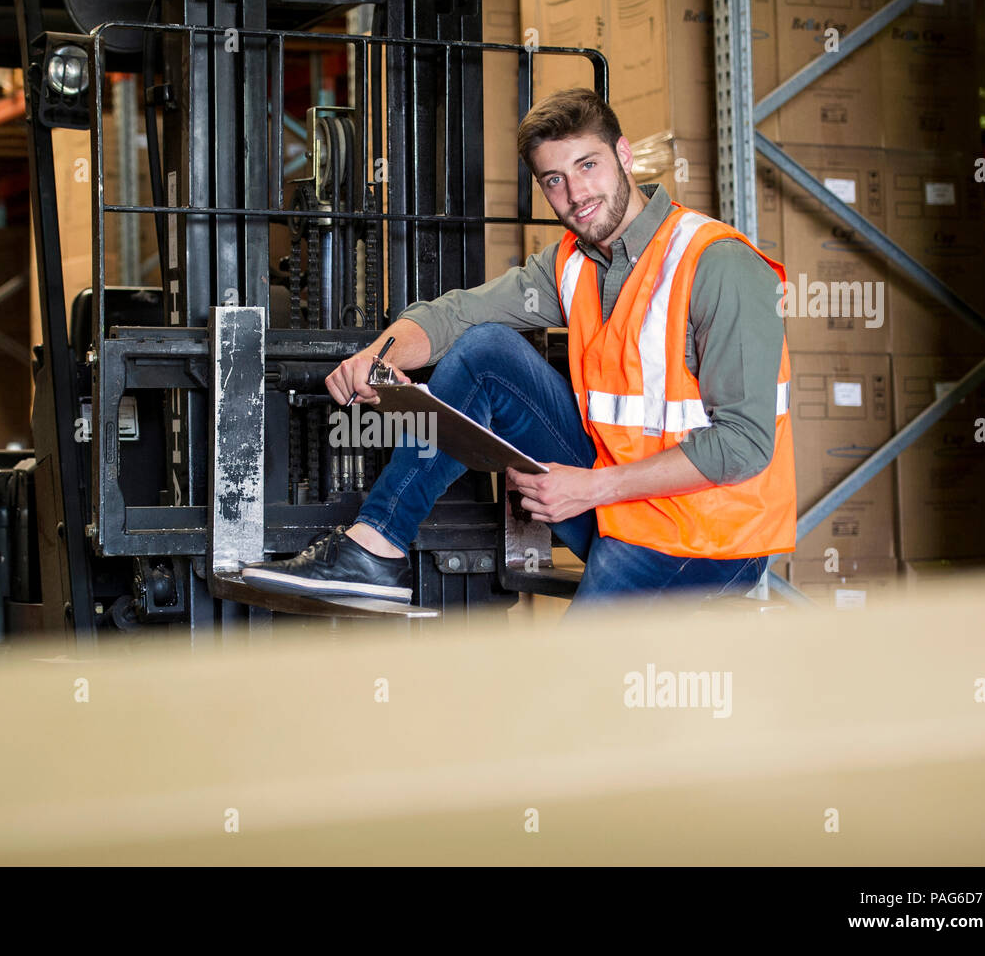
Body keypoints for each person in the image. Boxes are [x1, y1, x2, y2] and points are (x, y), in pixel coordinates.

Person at [241, 87, 795, 609]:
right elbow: (457, 314)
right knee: (486, 352)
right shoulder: (572, 264)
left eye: (588, 165)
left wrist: (590, 488)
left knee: (566, 694)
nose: (575, 194)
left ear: (624, 155)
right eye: (554, 180)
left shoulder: (716, 264)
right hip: (617, 504)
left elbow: (744, 445)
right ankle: (375, 546)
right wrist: (378, 355)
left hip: (707, 533)